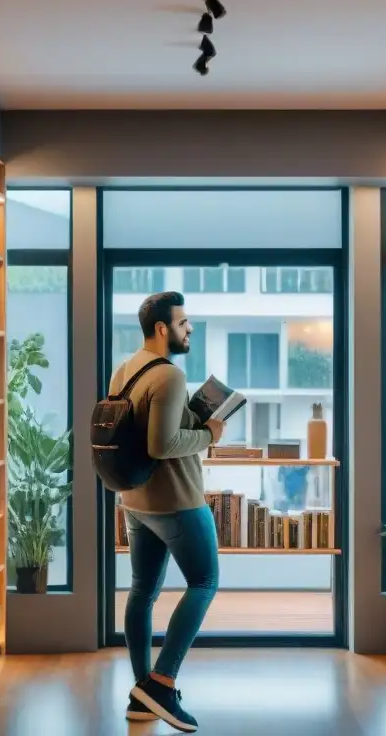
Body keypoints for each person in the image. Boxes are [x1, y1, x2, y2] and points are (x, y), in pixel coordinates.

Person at [109, 291, 223, 734]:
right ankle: (162, 682)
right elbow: (162, 445)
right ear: (162, 328)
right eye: (183, 322)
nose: (189, 328)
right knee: (204, 582)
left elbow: (145, 433)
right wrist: (209, 433)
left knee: (142, 591)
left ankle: (141, 693)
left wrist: (191, 420)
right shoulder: (170, 376)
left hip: (135, 501)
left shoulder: (126, 368)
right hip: (176, 500)